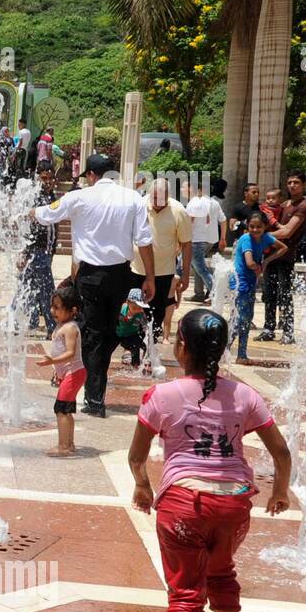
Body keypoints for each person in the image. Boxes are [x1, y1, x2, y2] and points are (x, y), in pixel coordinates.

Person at [127, 309, 291, 612]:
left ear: (182, 346)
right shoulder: (245, 396)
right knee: (221, 573)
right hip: (234, 503)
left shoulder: (162, 396)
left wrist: (143, 485)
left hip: (184, 504)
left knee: (185, 589)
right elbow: (282, 452)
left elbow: (137, 455)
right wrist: (280, 492)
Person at [35, 153, 155, 418]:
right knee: (108, 332)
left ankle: (93, 397)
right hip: (120, 276)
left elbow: (45, 214)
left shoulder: (79, 196)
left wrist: (25, 209)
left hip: (90, 277)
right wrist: (150, 277)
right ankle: (94, 392)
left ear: (90, 175)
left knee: (92, 336)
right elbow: (144, 240)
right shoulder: (132, 197)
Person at [132, 178, 191, 346]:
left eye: (161, 199)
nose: (157, 203)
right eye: (154, 198)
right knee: (135, 311)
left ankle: (150, 350)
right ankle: (135, 349)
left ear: (168, 196)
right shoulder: (139, 205)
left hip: (163, 272)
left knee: (157, 313)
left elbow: (186, 245)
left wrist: (185, 275)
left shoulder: (179, 211)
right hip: (136, 269)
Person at [259, 170, 306, 344]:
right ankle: (268, 329)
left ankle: (288, 332)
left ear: (303, 185)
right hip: (272, 254)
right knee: (269, 292)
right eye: (290, 182)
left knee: (285, 294)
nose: (292, 185)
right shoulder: (284, 203)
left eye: (296, 182)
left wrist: (262, 234)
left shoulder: (303, 206)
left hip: (287, 255)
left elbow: (288, 231)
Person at [36, 285, 86, 457]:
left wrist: (51, 361)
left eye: (57, 308)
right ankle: (69, 444)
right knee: (66, 409)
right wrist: (57, 370)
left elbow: (70, 353)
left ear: (72, 310)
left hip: (75, 372)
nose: (52, 311)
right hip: (70, 374)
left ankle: (64, 446)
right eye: (52, 306)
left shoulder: (70, 328)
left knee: (61, 409)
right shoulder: (62, 325)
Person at [231, 211, 287, 364]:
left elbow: (283, 248)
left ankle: (238, 353)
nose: (255, 230)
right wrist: (259, 268)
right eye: (252, 227)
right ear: (247, 226)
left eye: (259, 227)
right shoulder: (246, 239)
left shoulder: (266, 237)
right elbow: (249, 262)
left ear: (265, 227)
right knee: (241, 318)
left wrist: (267, 261)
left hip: (249, 282)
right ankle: (228, 350)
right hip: (239, 282)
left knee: (245, 318)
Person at [19, 161, 59, 338]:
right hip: (36, 251)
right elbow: (28, 227)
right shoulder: (35, 197)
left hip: (46, 251)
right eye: (44, 178)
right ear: (37, 178)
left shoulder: (52, 197)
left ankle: (24, 321)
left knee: (29, 287)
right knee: (47, 290)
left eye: (51, 178)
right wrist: (24, 251)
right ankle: (52, 327)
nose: (48, 182)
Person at [183, 180, 225, 302]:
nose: (183, 190)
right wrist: (222, 238)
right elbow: (223, 220)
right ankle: (199, 293)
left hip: (197, 239)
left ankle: (215, 294)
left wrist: (182, 238)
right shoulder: (214, 203)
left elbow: (189, 222)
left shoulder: (194, 202)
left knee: (199, 267)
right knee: (197, 265)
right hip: (211, 239)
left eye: (186, 187)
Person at [116, 288, 150, 369]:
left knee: (137, 346)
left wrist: (147, 332)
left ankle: (136, 365)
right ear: (128, 302)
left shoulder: (141, 313)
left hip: (132, 334)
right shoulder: (122, 308)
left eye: (140, 307)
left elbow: (146, 326)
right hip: (118, 333)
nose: (137, 310)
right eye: (135, 308)